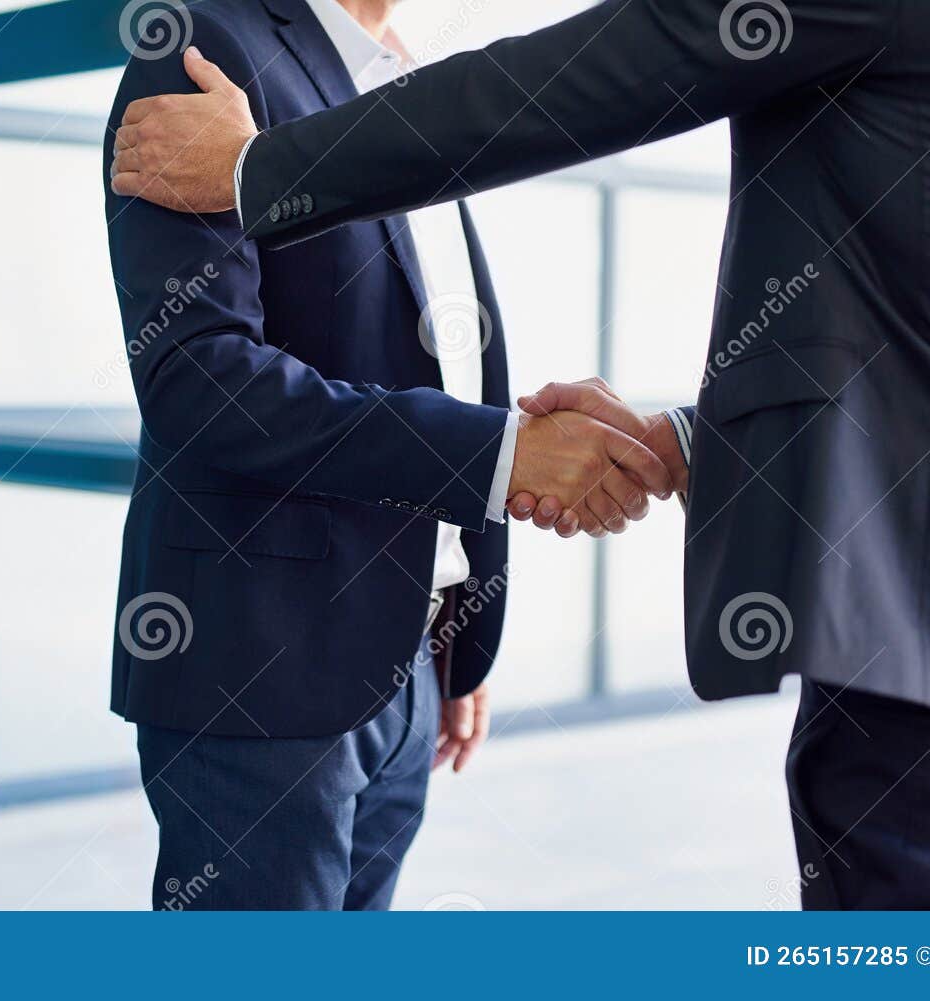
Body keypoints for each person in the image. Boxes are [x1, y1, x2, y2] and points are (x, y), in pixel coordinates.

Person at [110, 0, 930, 909]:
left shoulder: (387, 76)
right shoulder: (209, 49)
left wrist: (257, 171)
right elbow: (201, 378)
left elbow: (580, 82)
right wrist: (670, 443)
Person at [104, 0, 688, 910]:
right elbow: (200, 377)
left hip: (410, 657)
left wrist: (453, 633)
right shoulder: (204, 41)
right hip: (265, 663)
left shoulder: (409, 79)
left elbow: (436, 350)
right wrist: (507, 455)